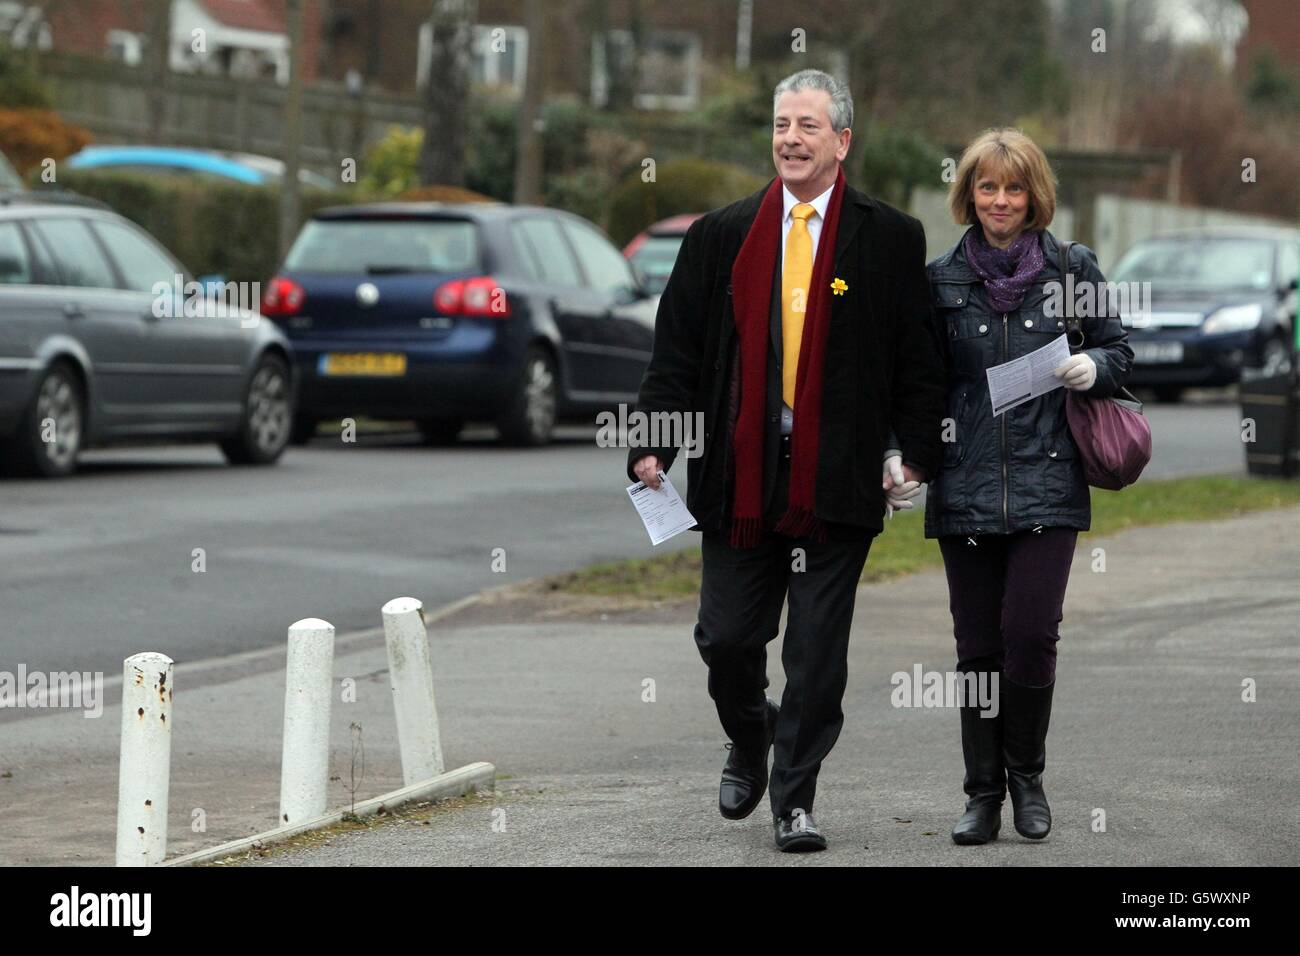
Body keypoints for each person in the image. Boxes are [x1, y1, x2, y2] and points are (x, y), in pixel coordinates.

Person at [626, 69, 946, 852]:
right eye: (780, 126)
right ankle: (750, 736)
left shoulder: (891, 238)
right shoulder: (721, 236)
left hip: (837, 478)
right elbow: (677, 355)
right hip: (741, 479)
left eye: (807, 126)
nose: (790, 139)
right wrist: (652, 442)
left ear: (841, 141)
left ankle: (794, 800)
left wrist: (913, 454)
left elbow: (918, 362)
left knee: (815, 654)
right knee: (727, 639)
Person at [923, 128, 1133, 844]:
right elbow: (917, 385)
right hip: (965, 485)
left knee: (1031, 633)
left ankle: (1027, 777)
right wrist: (902, 455)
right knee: (977, 645)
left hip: (1049, 483)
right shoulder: (940, 279)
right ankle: (982, 793)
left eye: (1014, 188)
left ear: (1034, 193)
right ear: (969, 194)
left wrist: (1093, 369)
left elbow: (1119, 346)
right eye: (987, 187)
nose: (1001, 201)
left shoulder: (1072, 267)